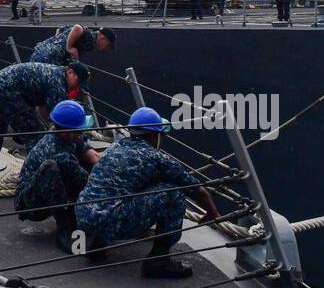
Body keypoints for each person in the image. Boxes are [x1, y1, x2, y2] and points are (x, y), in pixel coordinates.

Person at [75, 107, 221, 278]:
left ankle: (96, 243)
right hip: (111, 221)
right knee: (175, 193)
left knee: (115, 191)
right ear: (154, 135)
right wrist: (212, 212)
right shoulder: (156, 158)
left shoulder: (114, 147)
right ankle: (159, 261)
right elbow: (199, 191)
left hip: (83, 217)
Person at [15, 100, 101, 252]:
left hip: (43, 191)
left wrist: (86, 150)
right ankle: (65, 228)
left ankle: (75, 219)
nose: (80, 133)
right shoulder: (56, 150)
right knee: (51, 168)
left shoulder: (61, 133)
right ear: (67, 131)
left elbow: (79, 142)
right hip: (31, 205)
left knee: (84, 163)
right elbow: (83, 180)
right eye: (78, 131)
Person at [0, 61, 89, 157]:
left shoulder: (55, 73)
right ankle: (35, 172)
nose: (77, 88)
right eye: (78, 83)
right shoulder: (58, 83)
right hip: (8, 93)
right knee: (35, 134)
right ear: (70, 72)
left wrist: (47, 127)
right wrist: (84, 147)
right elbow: (62, 121)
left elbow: (44, 110)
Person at [29, 24, 115, 66]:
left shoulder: (90, 37)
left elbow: (60, 29)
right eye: (107, 45)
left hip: (40, 53)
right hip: (49, 59)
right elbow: (77, 27)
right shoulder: (90, 36)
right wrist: (69, 47)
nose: (105, 48)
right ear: (103, 39)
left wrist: (57, 42)